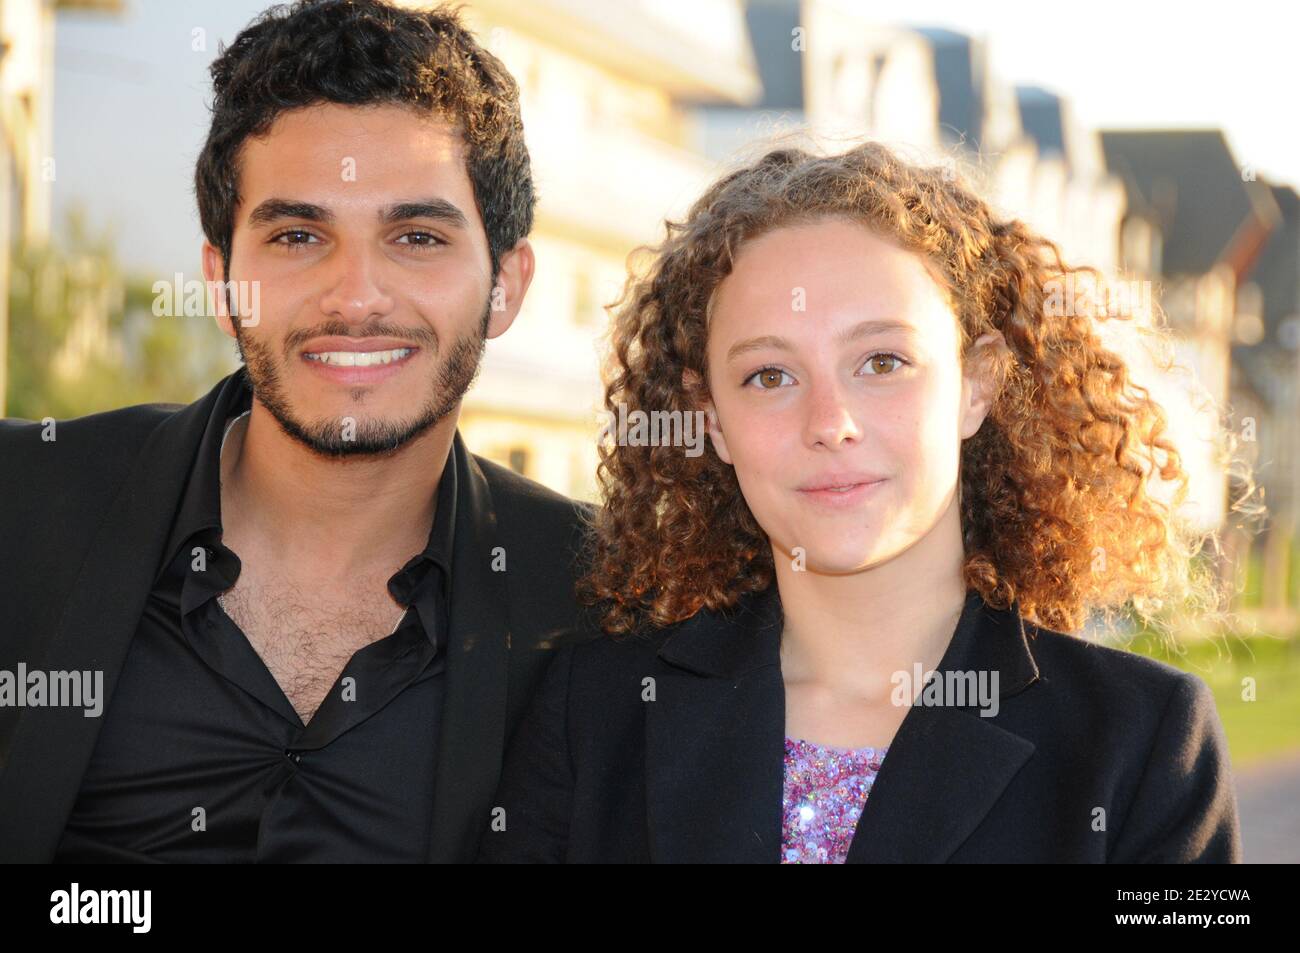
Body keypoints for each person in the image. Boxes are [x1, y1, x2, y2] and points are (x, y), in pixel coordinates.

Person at [479, 140, 1251, 863]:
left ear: (977, 382)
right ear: (709, 418)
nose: (829, 424)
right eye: (769, 376)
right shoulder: (597, 712)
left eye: (882, 361)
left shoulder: (1141, 741)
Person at [0, 0, 591, 863]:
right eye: (299, 234)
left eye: (417, 236)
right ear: (221, 278)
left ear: (505, 284)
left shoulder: (591, 599)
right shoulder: (24, 506)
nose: (355, 297)